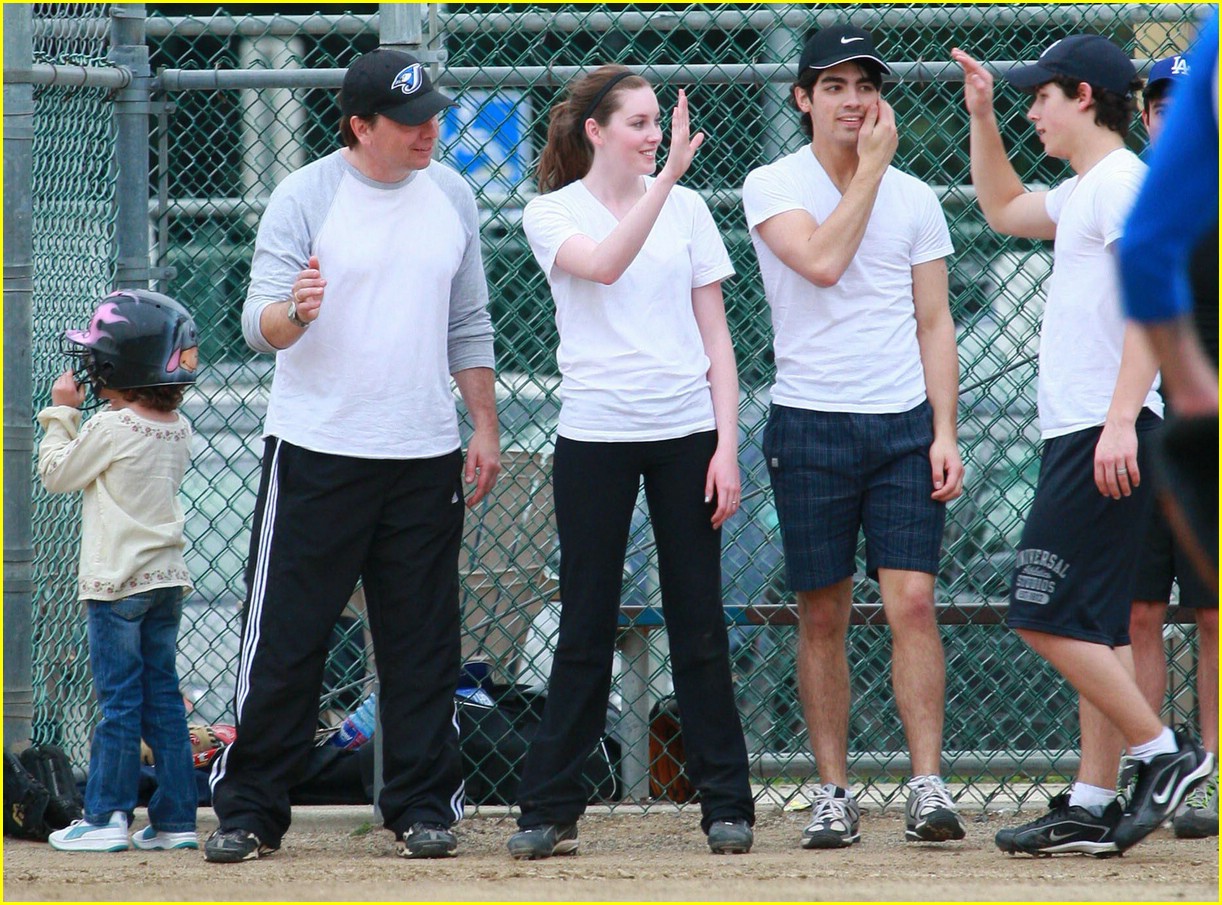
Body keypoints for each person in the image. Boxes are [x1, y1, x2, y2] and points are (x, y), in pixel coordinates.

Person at [204, 49, 501, 863]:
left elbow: (467, 322)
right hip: (317, 450)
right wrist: (294, 314)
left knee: (422, 644)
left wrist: (483, 424)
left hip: (421, 453)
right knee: (287, 642)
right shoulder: (306, 195)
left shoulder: (452, 193)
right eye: (409, 123)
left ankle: (421, 805)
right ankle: (251, 809)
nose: (428, 132)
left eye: (434, 116)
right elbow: (255, 321)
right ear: (360, 126)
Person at [952, 33, 1213, 857]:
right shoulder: (1087, 190)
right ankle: (1094, 801)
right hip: (1084, 429)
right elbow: (1001, 208)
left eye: (1040, 97)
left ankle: (1163, 755)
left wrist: (1116, 419)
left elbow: (1155, 298)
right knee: (1093, 625)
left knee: (1040, 610)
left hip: (1103, 433)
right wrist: (984, 117)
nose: (1033, 110)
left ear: (1084, 99)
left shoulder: (1124, 185)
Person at [505, 64, 755, 859]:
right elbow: (605, 262)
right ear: (596, 132)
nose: (656, 136)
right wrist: (670, 175)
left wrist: (726, 445)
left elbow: (718, 338)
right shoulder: (550, 211)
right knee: (584, 621)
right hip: (595, 437)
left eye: (659, 123)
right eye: (641, 123)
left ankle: (726, 805)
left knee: (698, 617)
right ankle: (549, 808)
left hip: (686, 433)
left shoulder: (686, 210)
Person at [742, 25, 966, 850]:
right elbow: (824, 261)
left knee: (912, 601)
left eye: (865, 83)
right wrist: (871, 171)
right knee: (822, 612)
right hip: (809, 423)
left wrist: (945, 429)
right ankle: (832, 790)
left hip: (903, 424)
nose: (853, 99)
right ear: (803, 98)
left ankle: (927, 785)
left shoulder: (917, 197)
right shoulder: (773, 183)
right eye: (833, 85)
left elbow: (935, 320)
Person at [38, 289, 201, 853]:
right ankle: (177, 817)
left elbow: (57, 474)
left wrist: (62, 413)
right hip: (164, 582)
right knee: (161, 699)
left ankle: (106, 815)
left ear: (120, 365)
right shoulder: (176, 427)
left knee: (118, 703)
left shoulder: (111, 427)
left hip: (115, 587)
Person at [1119, 17, 1220, 840]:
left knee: (1214, 612)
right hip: (1145, 429)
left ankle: (1211, 765)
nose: (1168, 117)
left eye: (1181, 104)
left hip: (1186, 416)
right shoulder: (1123, 185)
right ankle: (1154, 760)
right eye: (1158, 105)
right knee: (1142, 609)